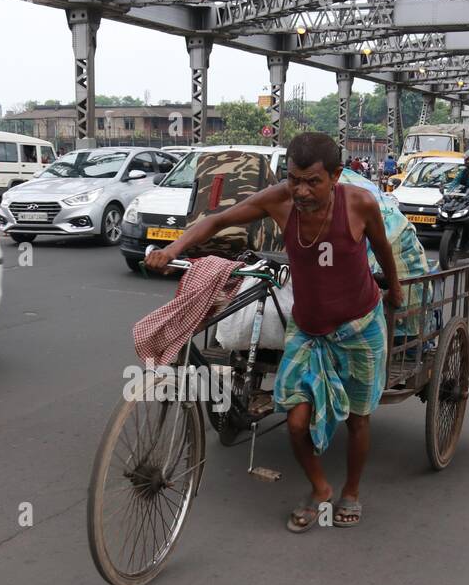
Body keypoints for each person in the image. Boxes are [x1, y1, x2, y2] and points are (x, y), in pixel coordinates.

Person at [145, 132, 409, 531]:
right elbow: (217, 220)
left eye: (312, 181)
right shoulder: (279, 200)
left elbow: (383, 249)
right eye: (293, 179)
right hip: (308, 328)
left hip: (360, 325)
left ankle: (351, 491)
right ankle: (320, 488)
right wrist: (172, 250)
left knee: (358, 419)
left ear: (336, 175)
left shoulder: (360, 204)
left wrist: (395, 287)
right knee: (297, 421)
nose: (300, 191)